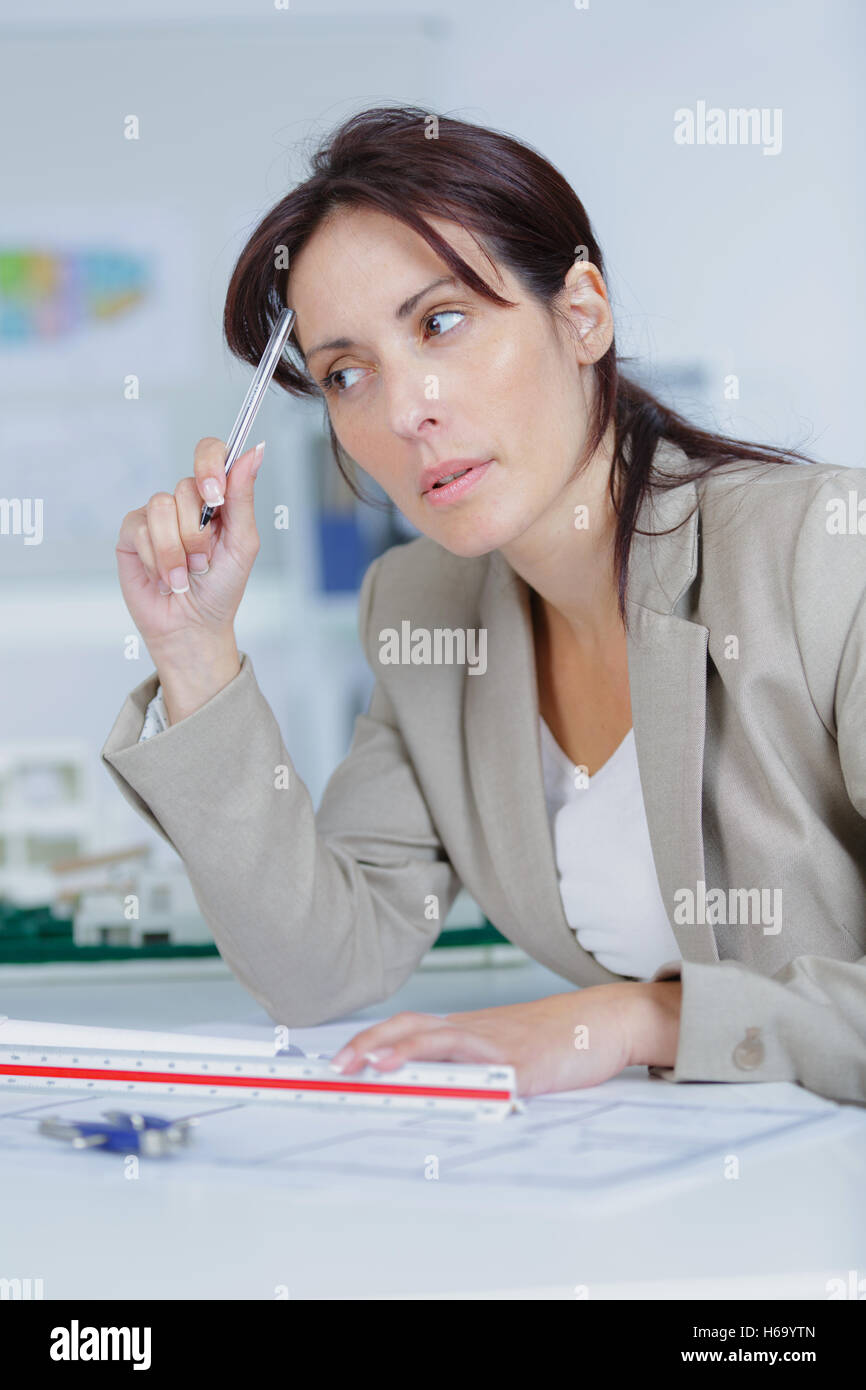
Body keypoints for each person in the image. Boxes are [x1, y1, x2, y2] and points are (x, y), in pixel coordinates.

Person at [102, 106, 866, 1104]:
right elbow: (319, 967)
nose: (402, 408)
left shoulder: (821, 551)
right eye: (345, 373)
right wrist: (195, 648)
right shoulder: (423, 611)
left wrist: (636, 1019)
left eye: (440, 322)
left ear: (580, 312)